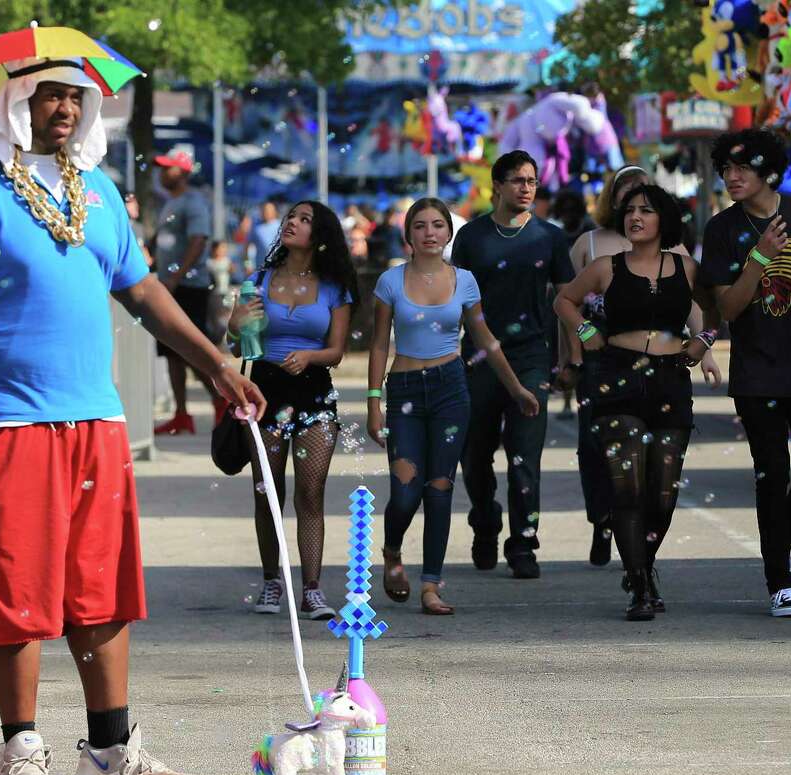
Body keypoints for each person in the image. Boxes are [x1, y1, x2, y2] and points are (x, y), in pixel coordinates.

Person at [0, 56, 266, 775]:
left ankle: (110, 752)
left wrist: (215, 366)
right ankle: (19, 753)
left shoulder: (96, 189)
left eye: (76, 96)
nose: (67, 108)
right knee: (15, 587)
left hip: (95, 421)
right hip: (1, 423)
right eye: (51, 95)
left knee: (101, 587)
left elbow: (142, 291)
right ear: (16, 102)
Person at [698, 128, 791, 618]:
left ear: (769, 171)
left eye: (742, 167)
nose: (732, 176)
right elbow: (727, 308)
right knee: (771, 473)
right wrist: (760, 256)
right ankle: (780, 580)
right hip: (756, 373)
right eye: (726, 169)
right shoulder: (721, 229)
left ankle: (777, 542)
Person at [555, 184, 721, 620]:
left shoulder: (686, 267)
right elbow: (564, 300)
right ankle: (641, 585)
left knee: (662, 496)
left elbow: (717, 308)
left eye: (646, 211)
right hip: (617, 380)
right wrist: (585, 331)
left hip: (670, 381)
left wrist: (704, 340)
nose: (635, 217)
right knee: (626, 490)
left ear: (664, 219)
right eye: (630, 211)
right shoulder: (606, 267)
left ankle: (641, 565)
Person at [366, 198, 540, 615]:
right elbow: (378, 344)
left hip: (451, 390)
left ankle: (430, 585)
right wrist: (373, 402)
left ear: (448, 233)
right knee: (405, 493)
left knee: (440, 488)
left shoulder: (464, 281)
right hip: (405, 391)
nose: (430, 232)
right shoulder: (390, 282)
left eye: (438, 225)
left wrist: (516, 388)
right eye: (420, 225)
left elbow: (485, 339)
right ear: (408, 235)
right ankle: (392, 551)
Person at [227, 201, 356, 620]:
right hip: (265, 391)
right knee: (267, 491)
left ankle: (312, 590)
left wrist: (310, 356)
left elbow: (337, 351)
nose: (292, 223)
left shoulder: (334, 287)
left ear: (320, 236)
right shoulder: (259, 280)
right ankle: (271, 581)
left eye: (304, 220)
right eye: (290, 218)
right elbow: (238, 346)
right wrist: (234, 325)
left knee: (310, 493)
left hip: (314, 393)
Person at [451, 150, 573, 579]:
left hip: (530, 358)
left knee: (525, 458)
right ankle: (485, 521)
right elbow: (454, 301)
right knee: (474, 455)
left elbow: (567, 302)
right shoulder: (471, 237)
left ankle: (523, 543)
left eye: (532, 181)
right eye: (518, 180)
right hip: (478, 358)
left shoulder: (550, 237)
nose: (526, 188)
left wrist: (569, 359)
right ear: (498, 186)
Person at [152, 147, 220, 435]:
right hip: (170, 286)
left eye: (167, 167)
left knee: (191, 350)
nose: (161, 172)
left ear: (183, 172)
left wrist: (176, 276)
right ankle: (181, 414)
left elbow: (198, 240)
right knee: (171, 351)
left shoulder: (193, 203)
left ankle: (221, 401)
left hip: (189, 287)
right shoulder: (171, 202)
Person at [250, 200, 282, 269]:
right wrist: (248, 264)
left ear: (274, 212)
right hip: (261, 267)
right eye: (264, 210)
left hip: (278, 267)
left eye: (269, 210)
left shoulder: (282, 226)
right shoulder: (256, 227)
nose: (266, 212)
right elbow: (247, 246)